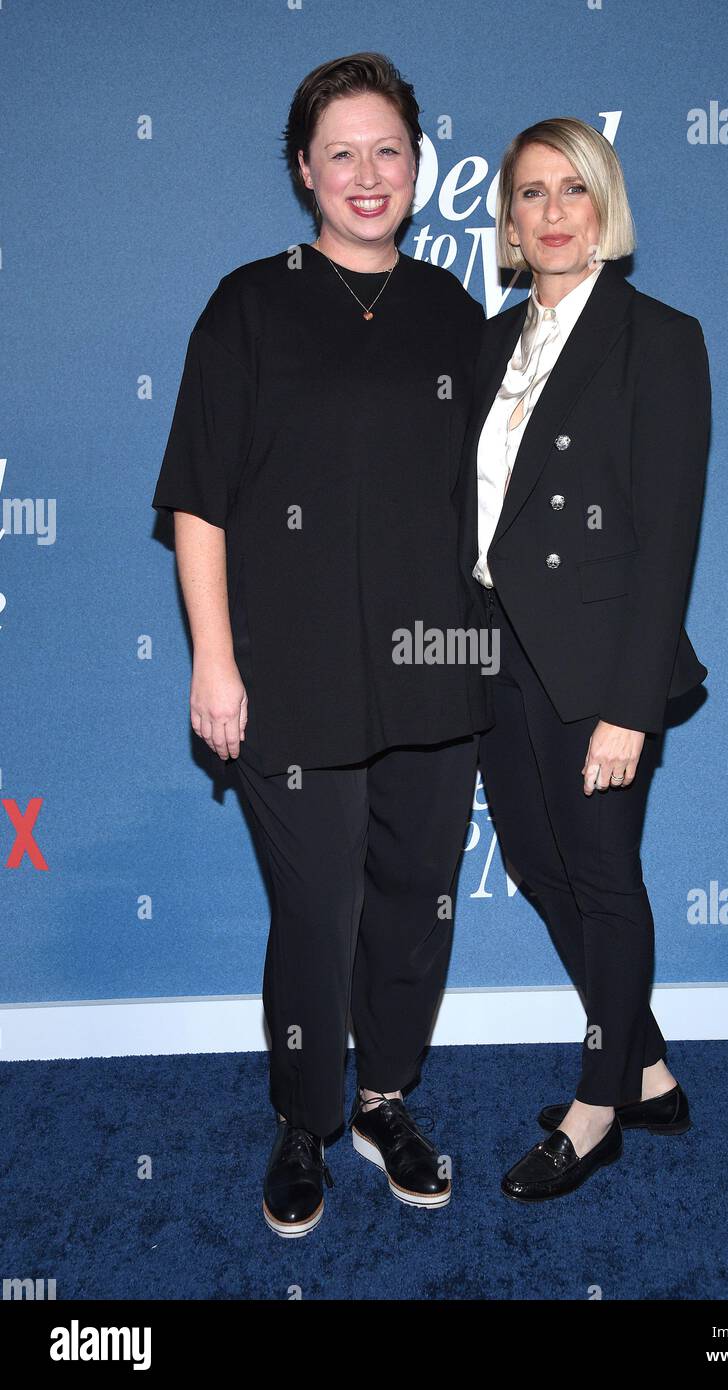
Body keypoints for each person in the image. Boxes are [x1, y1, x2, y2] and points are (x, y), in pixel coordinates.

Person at [151, 52, 492, 1236]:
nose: (366, 173)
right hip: (287, 672)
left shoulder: (454, 313)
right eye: (339, 151)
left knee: (414, 897)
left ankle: (385, 1099)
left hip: (438, 665)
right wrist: (213, 656)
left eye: (388, 149)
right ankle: (305, 1119)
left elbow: (497, 501)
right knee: (316, 909)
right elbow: (200, 499)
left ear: (418, 165)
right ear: (303, 170)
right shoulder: (248, 304)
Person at [455, 117, 711, 1202]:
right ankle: (645, 1064)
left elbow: (667, 541)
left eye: (572, 189)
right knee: (542, 868)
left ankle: (598, 1104)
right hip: (494, 657)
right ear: (506, 221)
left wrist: (628, 705)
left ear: (604, 206)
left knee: (603, 880)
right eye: (529, 194)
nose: (551, 212)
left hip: (599, 660)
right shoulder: (486, 344)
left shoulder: (660, 338)